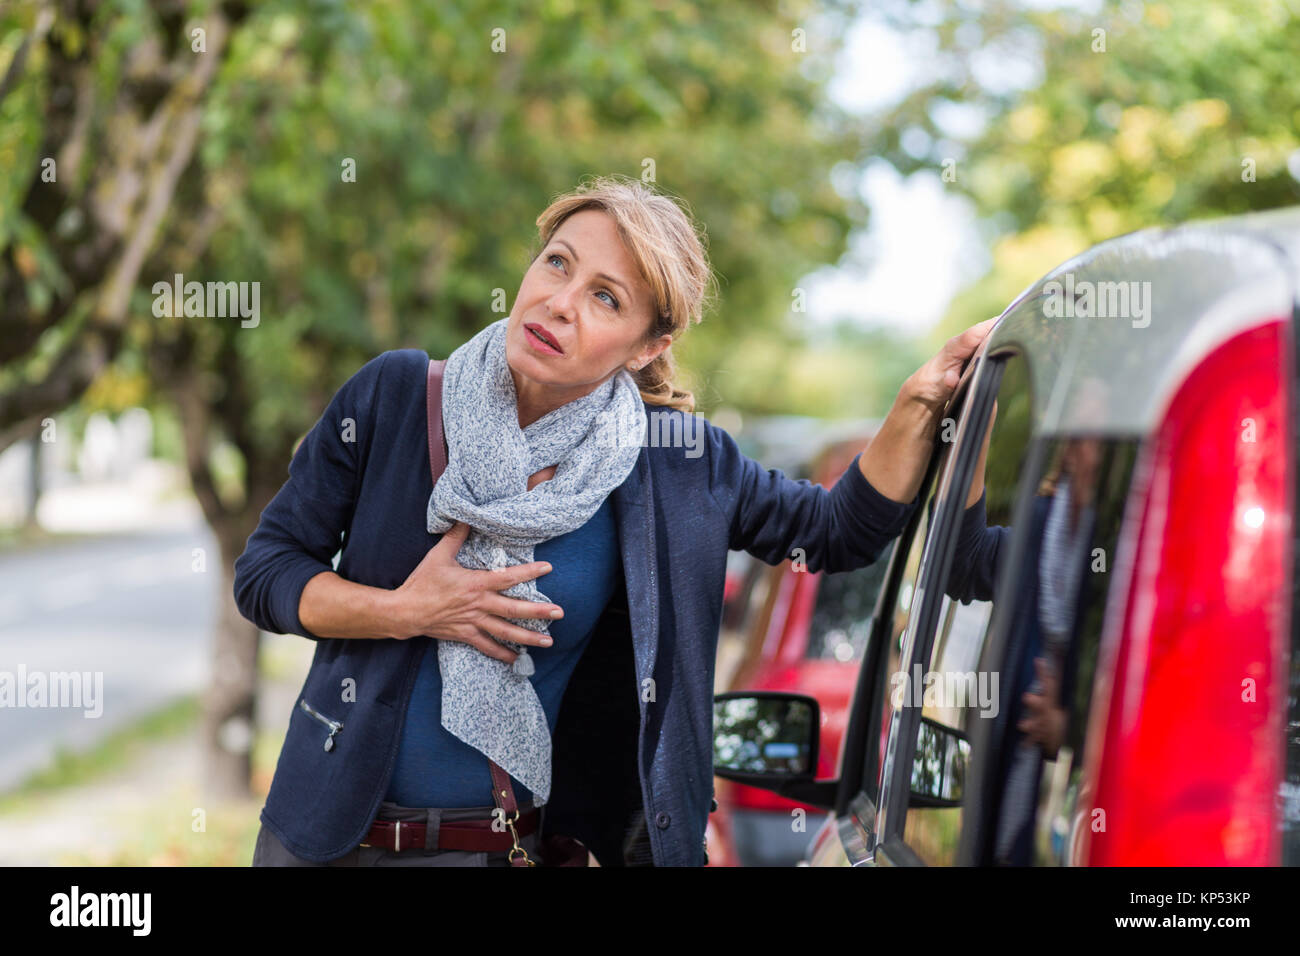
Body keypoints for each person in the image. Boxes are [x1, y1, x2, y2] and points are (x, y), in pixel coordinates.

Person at [234, 174, 996, 866]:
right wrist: (408, 611)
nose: (561, 302)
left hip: (501, 850)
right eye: (558, 263)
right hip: (320, 841)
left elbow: (839, 532)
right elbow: (267, 572)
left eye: (607, 298)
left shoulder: (678, 462)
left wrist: (921, 403)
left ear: (648, 347)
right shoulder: (395, 397)